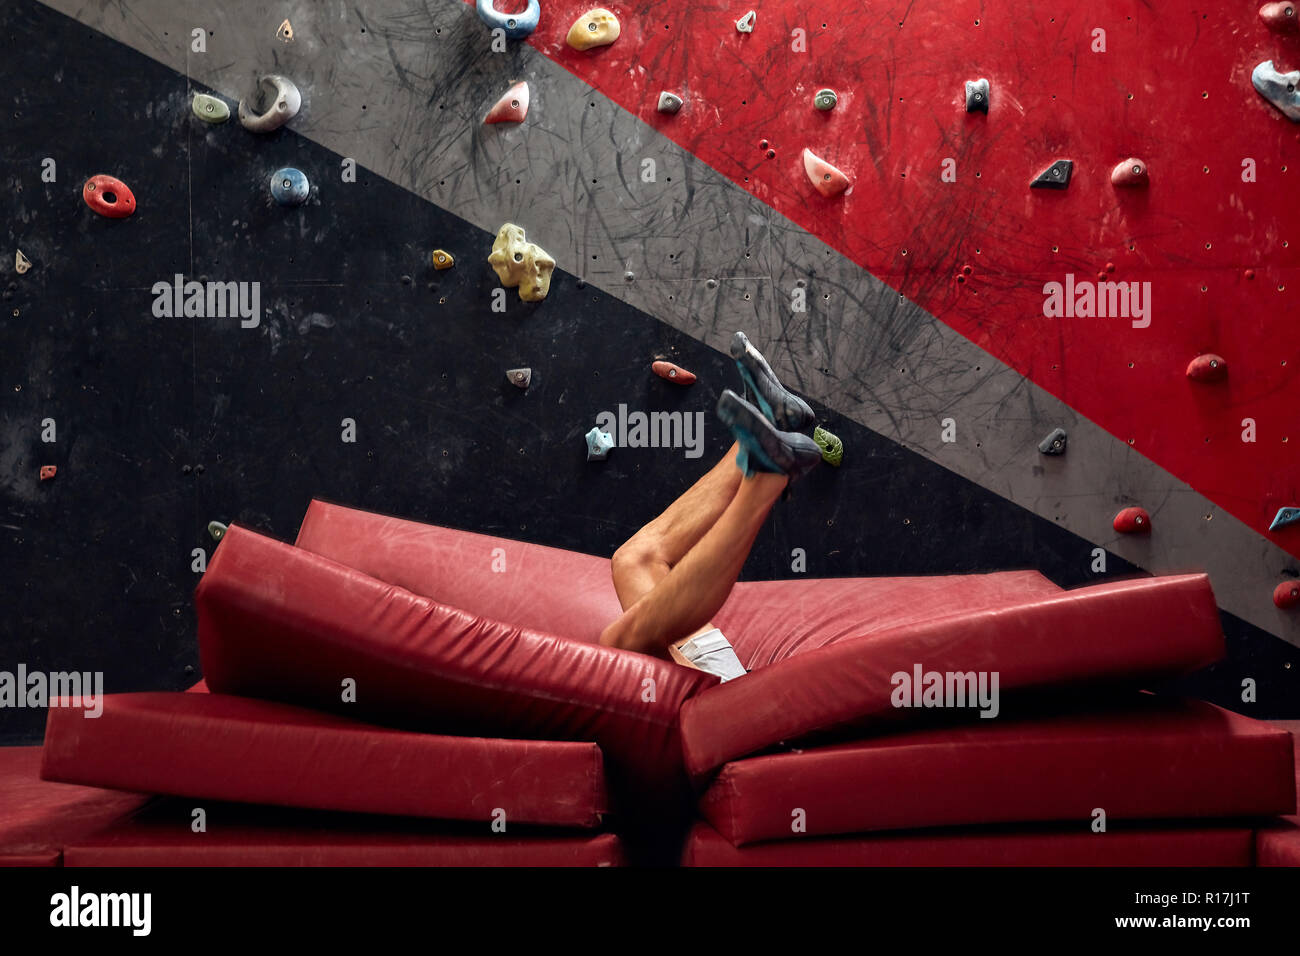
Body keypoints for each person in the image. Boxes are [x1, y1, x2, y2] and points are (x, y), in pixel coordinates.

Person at [598, 332, 823, 681]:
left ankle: (770, 425)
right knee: (618, 642)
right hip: (725, 709)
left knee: (633, 560)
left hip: (713, 669)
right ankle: (765, 480)